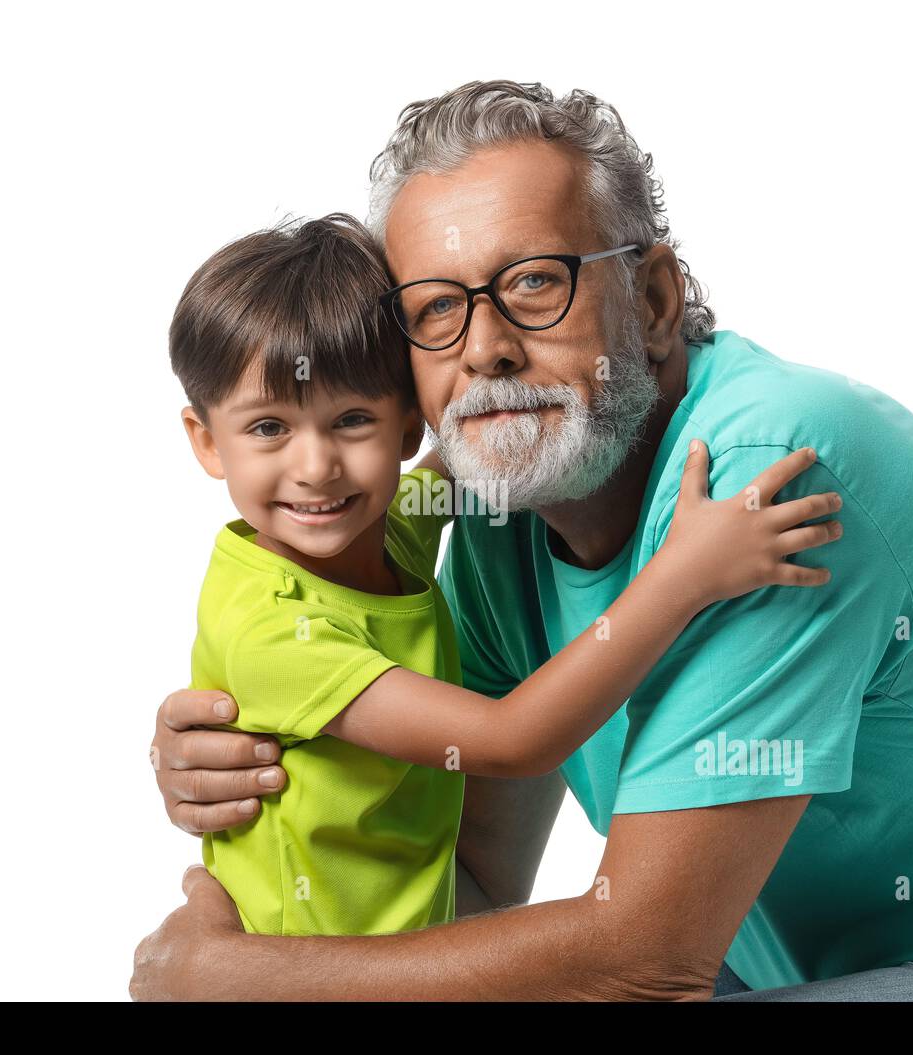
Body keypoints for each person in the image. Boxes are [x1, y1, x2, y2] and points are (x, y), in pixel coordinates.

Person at [134, 81, 913, 1001]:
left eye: (533, 283)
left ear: (650, 301)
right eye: (436, 309)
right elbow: (471, 885)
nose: (486, 349)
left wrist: (247, 983)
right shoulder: (494, 515)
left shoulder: (759, 483)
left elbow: (642, 963)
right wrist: (285, 757)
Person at [167, 212, 840, 936]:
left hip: (414, 954)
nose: (315, 468)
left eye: (352, 420)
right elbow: (513, 741)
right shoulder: (272, 630)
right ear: (207, 442)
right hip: (317, 973)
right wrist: (684, 577)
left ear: (406, 426)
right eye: (269, 428)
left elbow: (453, 468)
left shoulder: (382, 535)